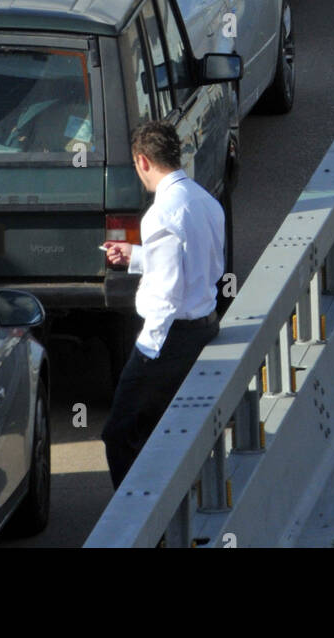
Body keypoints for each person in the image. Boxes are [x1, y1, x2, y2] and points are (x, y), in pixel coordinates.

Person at [100, 120, 226, 490]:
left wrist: (147, 348)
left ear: (142, 161)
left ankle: (138, 519)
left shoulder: (160, 213)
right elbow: (203, 263)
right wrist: (138, 257)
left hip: (170, 338)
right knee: (168, 430)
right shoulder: (205, 200)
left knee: (119, 434)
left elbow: (168, 292)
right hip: (203, 324)